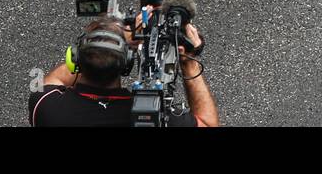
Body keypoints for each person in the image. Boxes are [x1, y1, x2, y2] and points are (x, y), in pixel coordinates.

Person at [30, 14, 219, 127]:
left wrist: (114, 37)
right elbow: (209, 124)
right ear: (127, 63)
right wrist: (188, 62)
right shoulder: (157, 118)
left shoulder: (47, 107)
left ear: (75, 58)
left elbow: (54, 79)